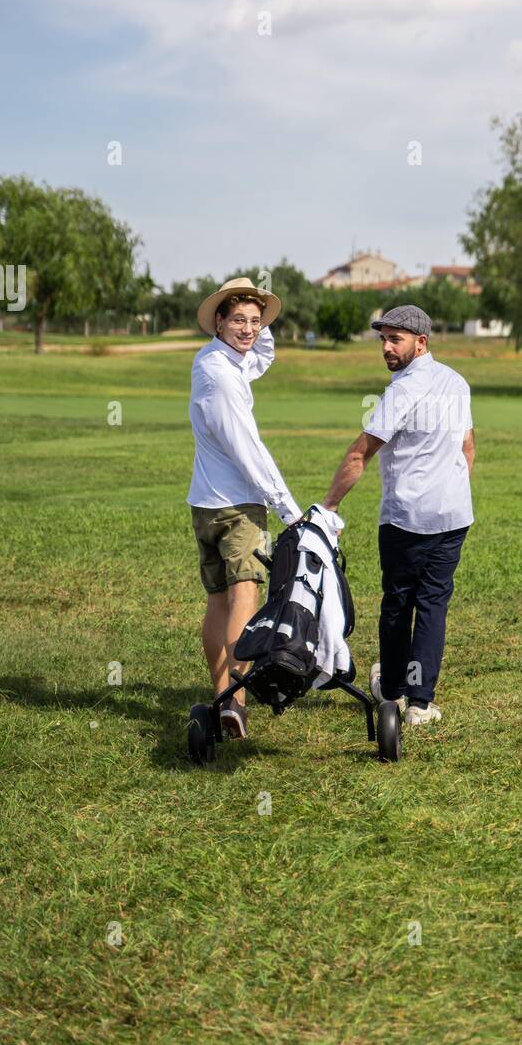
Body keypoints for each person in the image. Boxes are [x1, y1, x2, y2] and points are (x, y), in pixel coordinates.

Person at [322, 305, 475, 727]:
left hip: (406, 519)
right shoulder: (457, 382)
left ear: (420, 342)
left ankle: (391, 691)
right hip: (454, 515)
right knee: (432, 605)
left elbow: (361, 452)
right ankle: (421, 705)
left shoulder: (402, 391)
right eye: (383, 339)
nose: (386, 347)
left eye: (396, 339)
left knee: (397, 605)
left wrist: (329, 505)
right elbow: (468, 448)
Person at [187, 277, 302, 739]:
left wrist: (256, 302)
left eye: (256, 321)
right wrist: (289, 509)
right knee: (245, 597)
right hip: (237, 508)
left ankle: (222, 697)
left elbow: (263, 353)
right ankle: (235, 700)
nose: (250, 329)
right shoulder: (223, 377)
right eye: (238, 320)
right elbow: (248, 452)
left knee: (218, 601)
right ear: (217, 322)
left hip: (205, 505)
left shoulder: (217, 360)